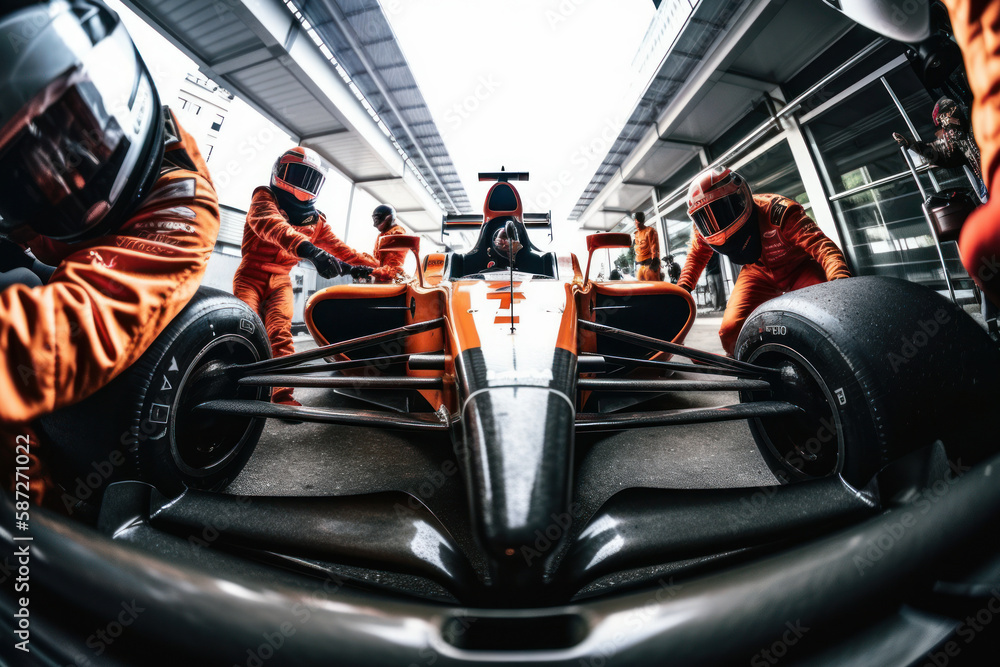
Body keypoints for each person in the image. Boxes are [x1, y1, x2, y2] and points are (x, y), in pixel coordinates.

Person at [0, 0, 220, 504]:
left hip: (127, 270)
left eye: (73, 130)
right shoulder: (27, 212)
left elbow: (67, 334)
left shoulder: (182, 197)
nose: (68, 177)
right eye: (23, 170)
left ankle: (30, 531)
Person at [233, 147, 376, 407]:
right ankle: (233, 390)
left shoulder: (316, 220)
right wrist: (312, 252)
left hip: (281, 281)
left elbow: (342, 250)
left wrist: (371, 267)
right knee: (244, 331)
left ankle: (282, 396)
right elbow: (272, 226)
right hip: (250, 276)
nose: (302, 183)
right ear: (279, 172)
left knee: (280, 334)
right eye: (297, 174)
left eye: (309, 178)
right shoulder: (264, 198)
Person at [678, 167, 851, 356]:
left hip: (799, 267)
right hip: (756, 272)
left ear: (740, 198)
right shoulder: (704, 231)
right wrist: (680, 293)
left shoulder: (779, 211)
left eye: (721, 210)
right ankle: (746, 362)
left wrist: (839, 282)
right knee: (729, 331)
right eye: (706, 217)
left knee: (829, 314)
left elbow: (822, 247)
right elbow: (695, 258)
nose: (715, 222)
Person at [939, 1, 1000, 309]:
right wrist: (913, 145)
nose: (945, 125)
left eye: (946, 119)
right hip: (985, 185)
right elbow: (944, 155)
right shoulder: (960, 139)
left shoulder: (969, 115)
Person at [893, 97, 987, 200]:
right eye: (942, 122)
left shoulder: (981, 118)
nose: (946, 125)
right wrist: (911, 144)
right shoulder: (958, 143)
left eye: (945, 117)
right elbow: (940, 155)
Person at [370, 204, 408, 283]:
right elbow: (377, 259)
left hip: (391, 277)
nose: (375, 225)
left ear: (388, 218)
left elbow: (393, 263)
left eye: (377, 220)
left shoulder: (398, 232)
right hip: (381, 275)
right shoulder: (380, 235)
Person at [632, 211, 661, 281]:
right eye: (635, 222)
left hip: (649, 266)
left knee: (653, 289)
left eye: (638, 222)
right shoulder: (636, 234)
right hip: (640, 266)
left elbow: (654, 247)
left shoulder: (650, 231)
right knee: (641, 289)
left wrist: (655, 262)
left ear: (642, 222)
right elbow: (637, 249)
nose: (637, 225)